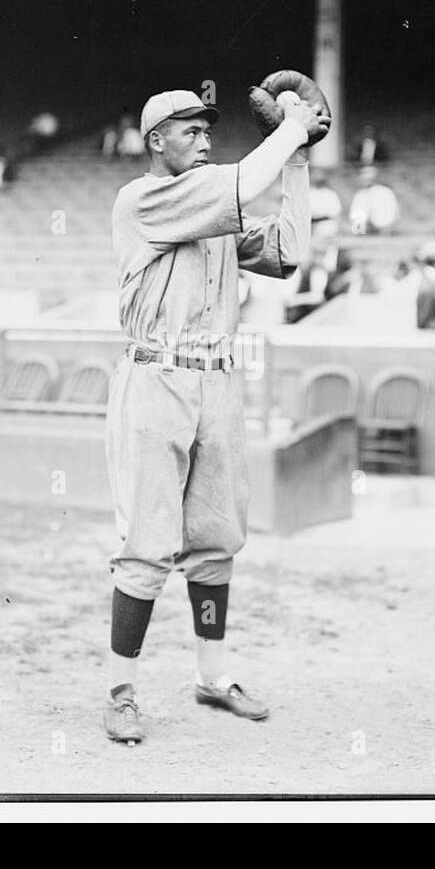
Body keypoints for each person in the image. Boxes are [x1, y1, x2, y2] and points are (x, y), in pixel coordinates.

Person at [102, 85, 328, 743]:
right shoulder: (142, 198)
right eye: (189, 130)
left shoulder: (211, 204)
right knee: (147, 544)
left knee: (215, 538)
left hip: (218, 380)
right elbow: (234, 187)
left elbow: (288, 252)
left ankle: (211, 675)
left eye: (208, 128)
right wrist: (291, 126)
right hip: (155, 378)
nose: (204, 138)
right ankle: (120, 691)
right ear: (155, 142)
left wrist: (300, 160)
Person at [347, 164, 399, 235]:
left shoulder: (385, 192)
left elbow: (391, 214)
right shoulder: (361, 194)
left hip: (382, 229)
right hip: (368, 230)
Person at [308, 172, 343, 240]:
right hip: (312, 227)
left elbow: (336, 212)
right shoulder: (310, 192)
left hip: (328, 226)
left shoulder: (330, 194)